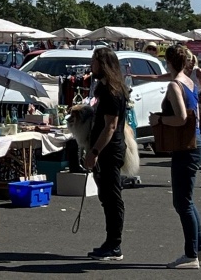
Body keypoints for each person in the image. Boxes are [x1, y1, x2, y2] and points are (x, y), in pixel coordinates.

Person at [149, 46, 201, 269]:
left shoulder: (175, 84)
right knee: (187, 201)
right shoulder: (188, 81)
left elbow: (181, 118)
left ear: (169, 62)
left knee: (182, 202)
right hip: (196, 143)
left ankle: (191, 254)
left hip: (187, 147)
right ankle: (198, 248)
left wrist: (160, 120)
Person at [83, 48, 129, 261]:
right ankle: (111, 242)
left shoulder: (112, 91)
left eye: (93, 62)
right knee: (106, 197)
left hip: (110, 151)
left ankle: (114, 244)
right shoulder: (104, 89)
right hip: (106, 150)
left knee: (112, 197)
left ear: (102, 64)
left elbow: (110, 127)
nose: (91, 66)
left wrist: (94, 152)